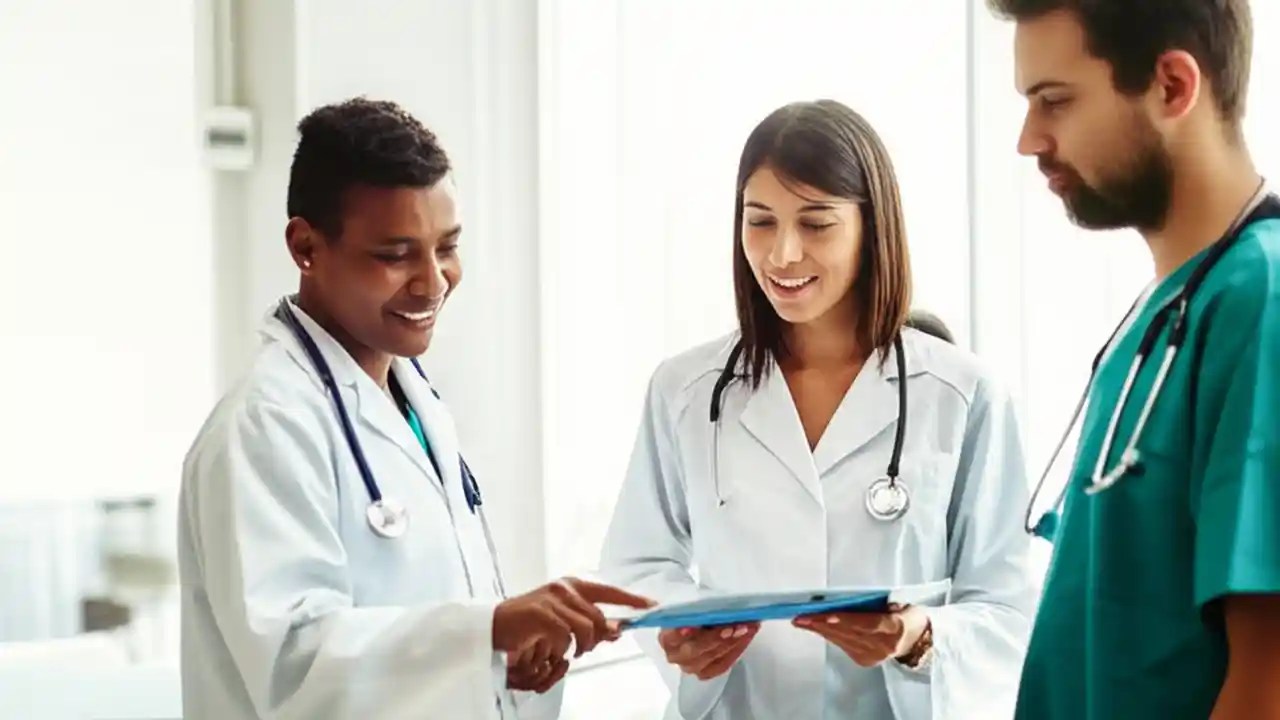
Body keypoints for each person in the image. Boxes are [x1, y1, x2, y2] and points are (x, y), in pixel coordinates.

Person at [177, 98, 651, 720]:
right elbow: (291, 665)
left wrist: (502, 658)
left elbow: (429, 632)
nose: (433, 282)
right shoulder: (265, 425)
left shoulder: (415, 399)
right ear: (306, 246)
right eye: (396, 255)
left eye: (447, 247)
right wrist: (485, 631)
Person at [598, 99, 1036, 719]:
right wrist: (676, 638)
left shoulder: (962, 395)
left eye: (816, 224)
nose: (782, 256)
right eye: (760, 222)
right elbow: (636, 561)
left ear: (871, 226)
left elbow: (1008, 602)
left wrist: (919, 638)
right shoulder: (686, 390)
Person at [985, 1, 1280, 718]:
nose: (1030, 140)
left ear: (1173, 87)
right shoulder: (1161, 314)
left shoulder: (1259, 298)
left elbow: (1268, 681)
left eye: (1054, 101)